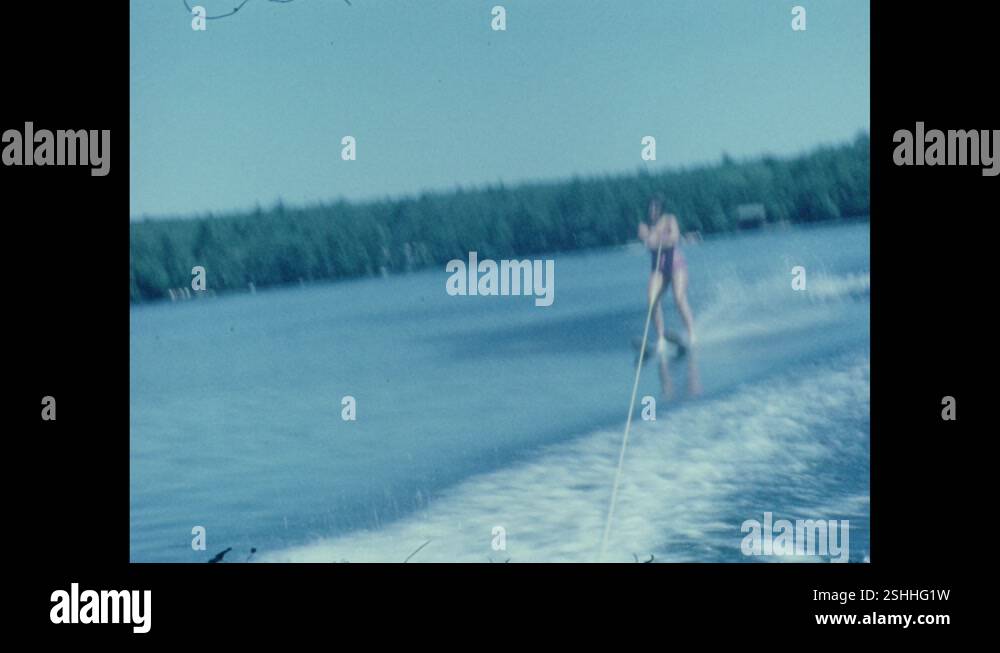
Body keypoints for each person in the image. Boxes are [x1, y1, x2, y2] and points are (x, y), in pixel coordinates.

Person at [638, 195, 696, 356]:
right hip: (658, 270)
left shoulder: (670, 219)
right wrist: (660, 240)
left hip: (676, 265)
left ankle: (691, 334)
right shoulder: (644, 225)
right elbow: (648, 242)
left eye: (655, 208)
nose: (652, 212)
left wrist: (660, 240)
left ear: (661, 209)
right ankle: (661, 340)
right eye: (650, 209)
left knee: (679, 297)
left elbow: (674, 239)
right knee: (652, 301)